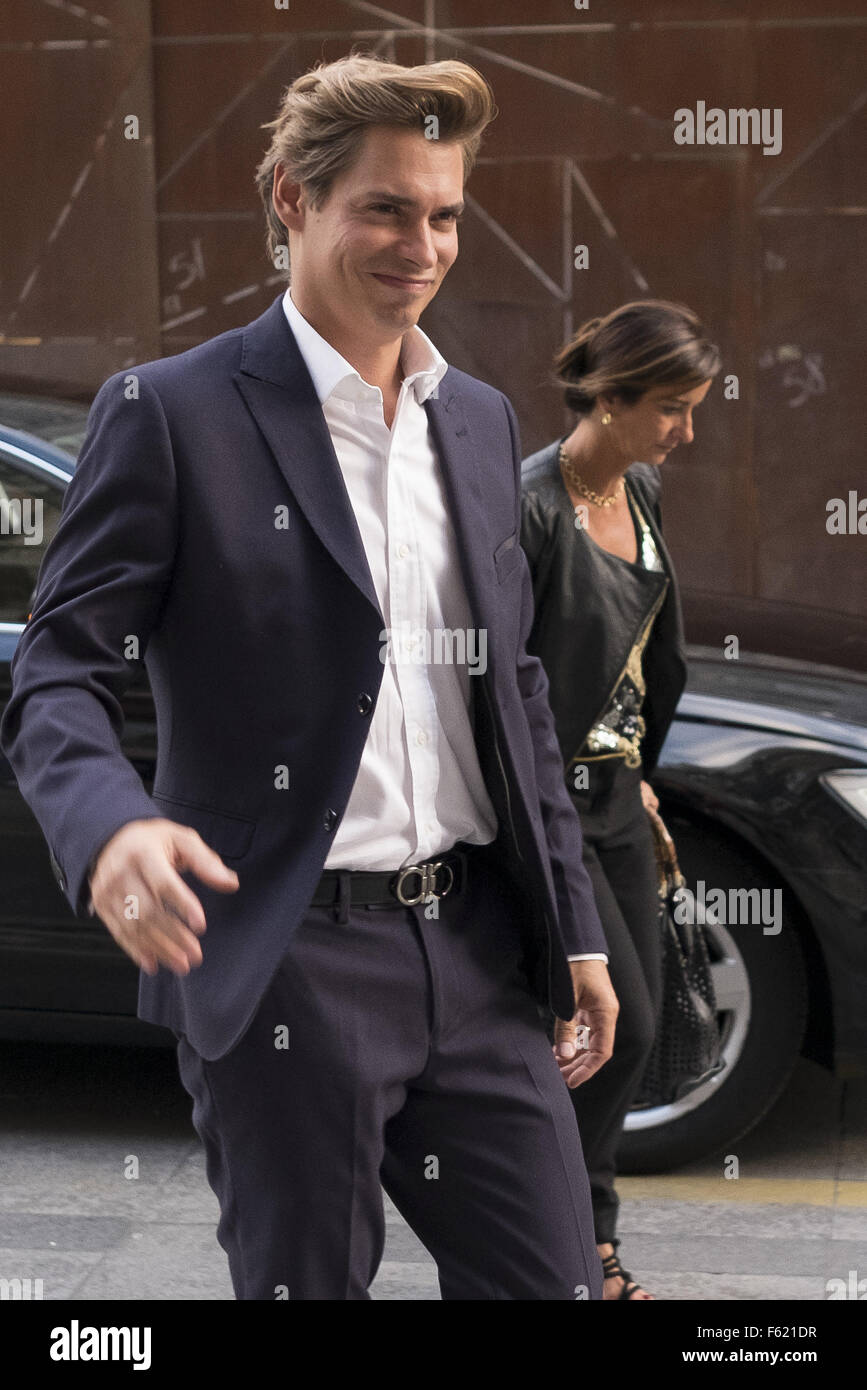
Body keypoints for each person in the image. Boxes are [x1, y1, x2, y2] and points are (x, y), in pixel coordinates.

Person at [1, 53, 619, 1301]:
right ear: (291, 199)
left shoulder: (483, 421)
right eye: (385, 208)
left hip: (484, 953)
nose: (424, 244)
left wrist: (578, 926)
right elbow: (55, 669)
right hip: (295, 954)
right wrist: (110, 826)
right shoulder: (171, 416)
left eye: (444, 212)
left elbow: (518, 698)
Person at [520, 301, 720, 1299]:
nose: (686, 432)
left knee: (622, 1036)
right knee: (620, 1028)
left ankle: (580, 1239)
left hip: (618, 802)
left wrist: (637, 772)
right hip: (554, 805)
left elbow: (645, 659)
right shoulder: (530, 505)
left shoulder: (637, 488)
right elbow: (503, 686)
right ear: (611, 396)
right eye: (673, 408)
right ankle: (574, 1240)